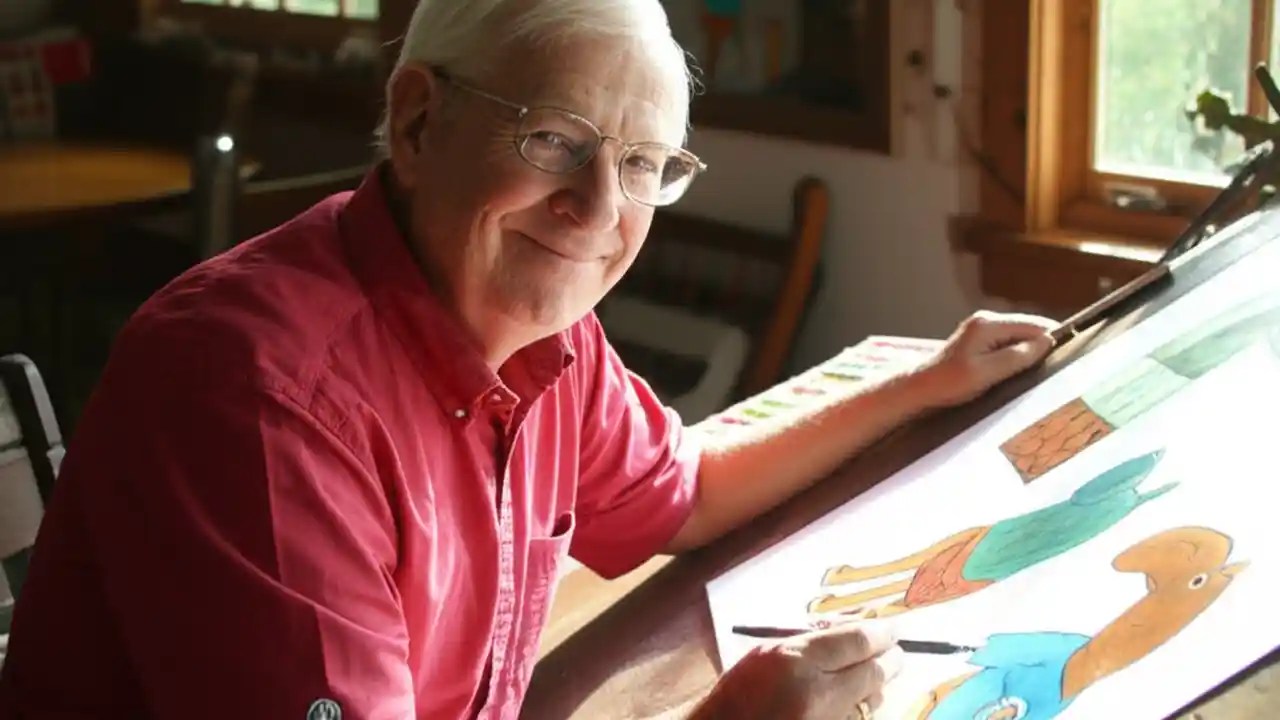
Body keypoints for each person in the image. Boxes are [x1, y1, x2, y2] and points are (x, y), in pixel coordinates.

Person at [0, 1, 1056, 718]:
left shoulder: (543, 335)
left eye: (642, 163)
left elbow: (681, 495)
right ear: (416, 121)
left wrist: (926, 383)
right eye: (554, 138)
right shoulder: (256, 396)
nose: (599, 209)